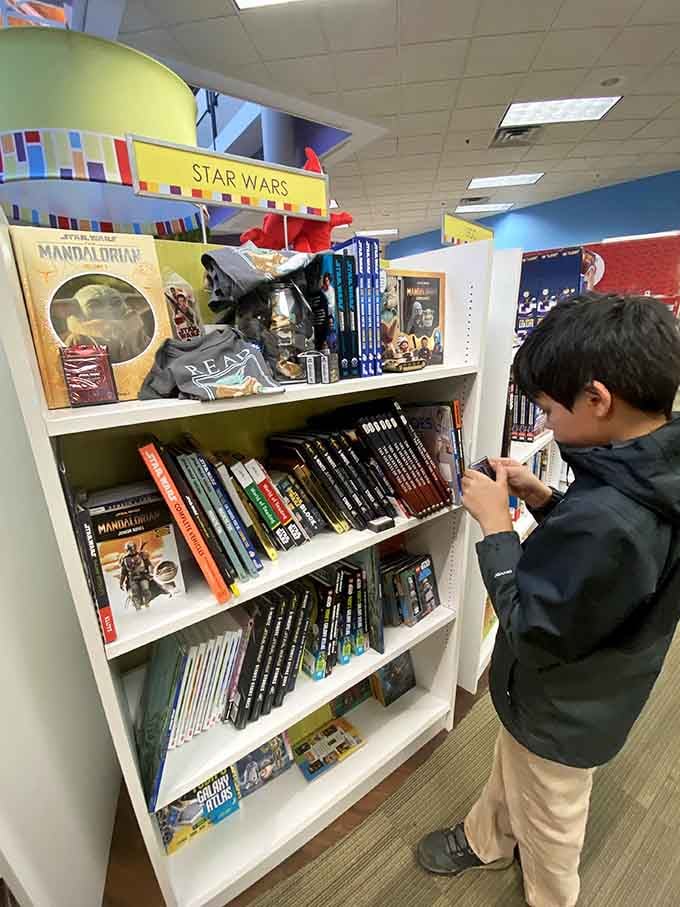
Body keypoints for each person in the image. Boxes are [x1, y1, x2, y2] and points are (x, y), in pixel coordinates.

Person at [417, 294, 680, 907]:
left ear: (597, 399)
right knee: (515, 764)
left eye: (548, 410)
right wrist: (541, 499)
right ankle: (487, 839)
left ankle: (551, 898)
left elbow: (534, 626)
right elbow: (607, 570)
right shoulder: (647, 470)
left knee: (554, 822)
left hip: (565, 704)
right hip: (583, 688)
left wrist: (497, 529)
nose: (548, 425)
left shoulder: (613, 515)